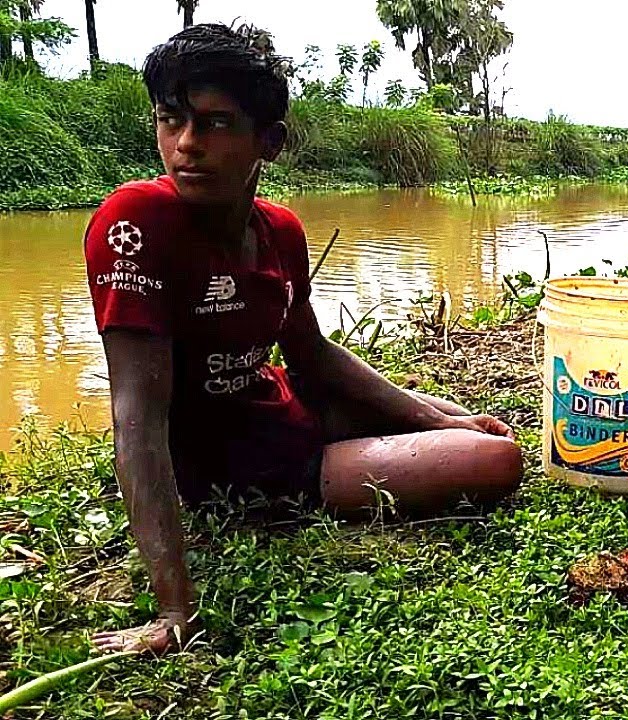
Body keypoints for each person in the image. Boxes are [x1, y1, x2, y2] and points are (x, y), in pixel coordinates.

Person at [84, 24, 523, 655]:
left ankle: (417, 428)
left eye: (216, 124)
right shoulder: (136, 221)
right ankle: (332, 470)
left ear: (270, 141)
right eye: (170, 120)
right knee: (496, 461)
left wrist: (433, 415)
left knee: (461, 421)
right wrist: (174, 608)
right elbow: (137, 415)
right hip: (236, 464)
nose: (186, 144)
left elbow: (311, 354)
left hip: (282, 407)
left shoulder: (280, 230)